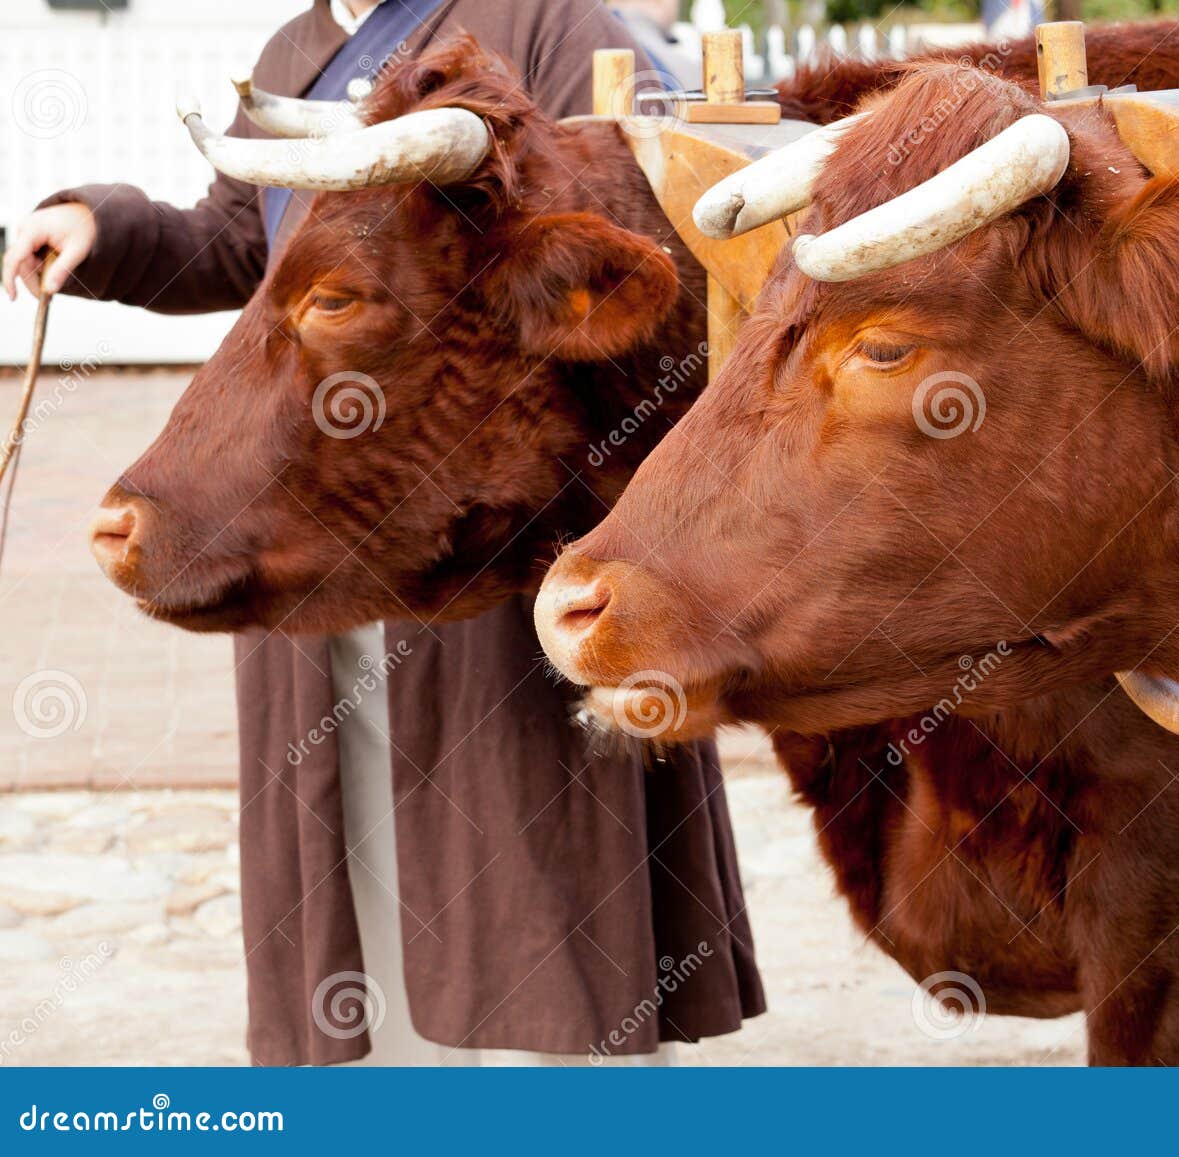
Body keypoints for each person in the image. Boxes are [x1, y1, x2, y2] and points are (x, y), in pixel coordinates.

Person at [2, 0, 763, 1066]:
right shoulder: (293, 53)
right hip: (305, 496)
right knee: (349, 832)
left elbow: (618, 199)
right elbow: (241, 243)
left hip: (479, 531)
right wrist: (108, 227)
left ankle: (574, 1086)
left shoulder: (545, 18)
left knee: (529, 850)